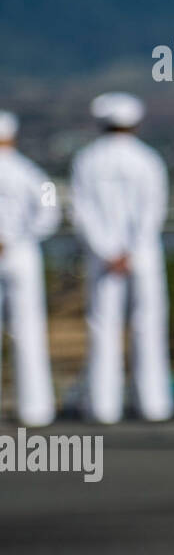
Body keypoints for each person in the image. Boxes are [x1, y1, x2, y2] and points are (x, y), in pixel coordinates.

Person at [70, 93, 174, 423]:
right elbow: (154, 210)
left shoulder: (86, 160)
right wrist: (134, 248)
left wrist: (106, 250)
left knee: (103, 328)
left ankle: (103, 406)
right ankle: (154, 404)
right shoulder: (149, 159)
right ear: (136, 123)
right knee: (149, 326)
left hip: (103, 260)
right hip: (142, 256)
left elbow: (80, 212)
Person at [0, 111, 59, 426]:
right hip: (21, 255)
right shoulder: (30, 172)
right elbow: (49, 211)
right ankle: (35, 408)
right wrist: (17, 238)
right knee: (29, 330)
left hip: (15, 250)